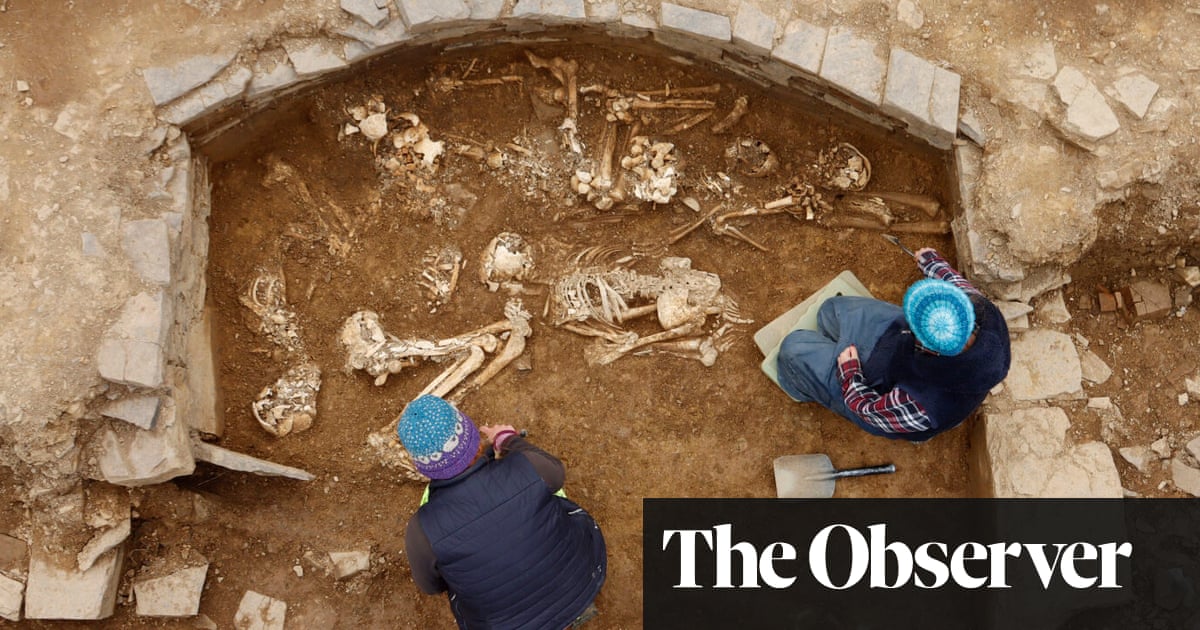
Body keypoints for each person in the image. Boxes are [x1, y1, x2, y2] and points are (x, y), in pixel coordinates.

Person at [398, 394, 607, 629]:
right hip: (582, 581)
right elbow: (556, 474)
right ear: (474, 440)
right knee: (554, 497)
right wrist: (508, 440)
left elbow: (431, 586)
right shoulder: (526, 466)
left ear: (422, 466)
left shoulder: (421, 530)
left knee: (457, 581)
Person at [776, 248, 1010, 442]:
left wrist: (850, 374)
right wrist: (931, 262)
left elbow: (868, 410)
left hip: (883, 390)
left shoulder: (921, 405)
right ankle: (829, 350)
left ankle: (800, 384)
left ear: (923, 341)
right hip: (896, 344)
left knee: (792, 349)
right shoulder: (980, 312)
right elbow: (956, 285)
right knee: (830, 310)